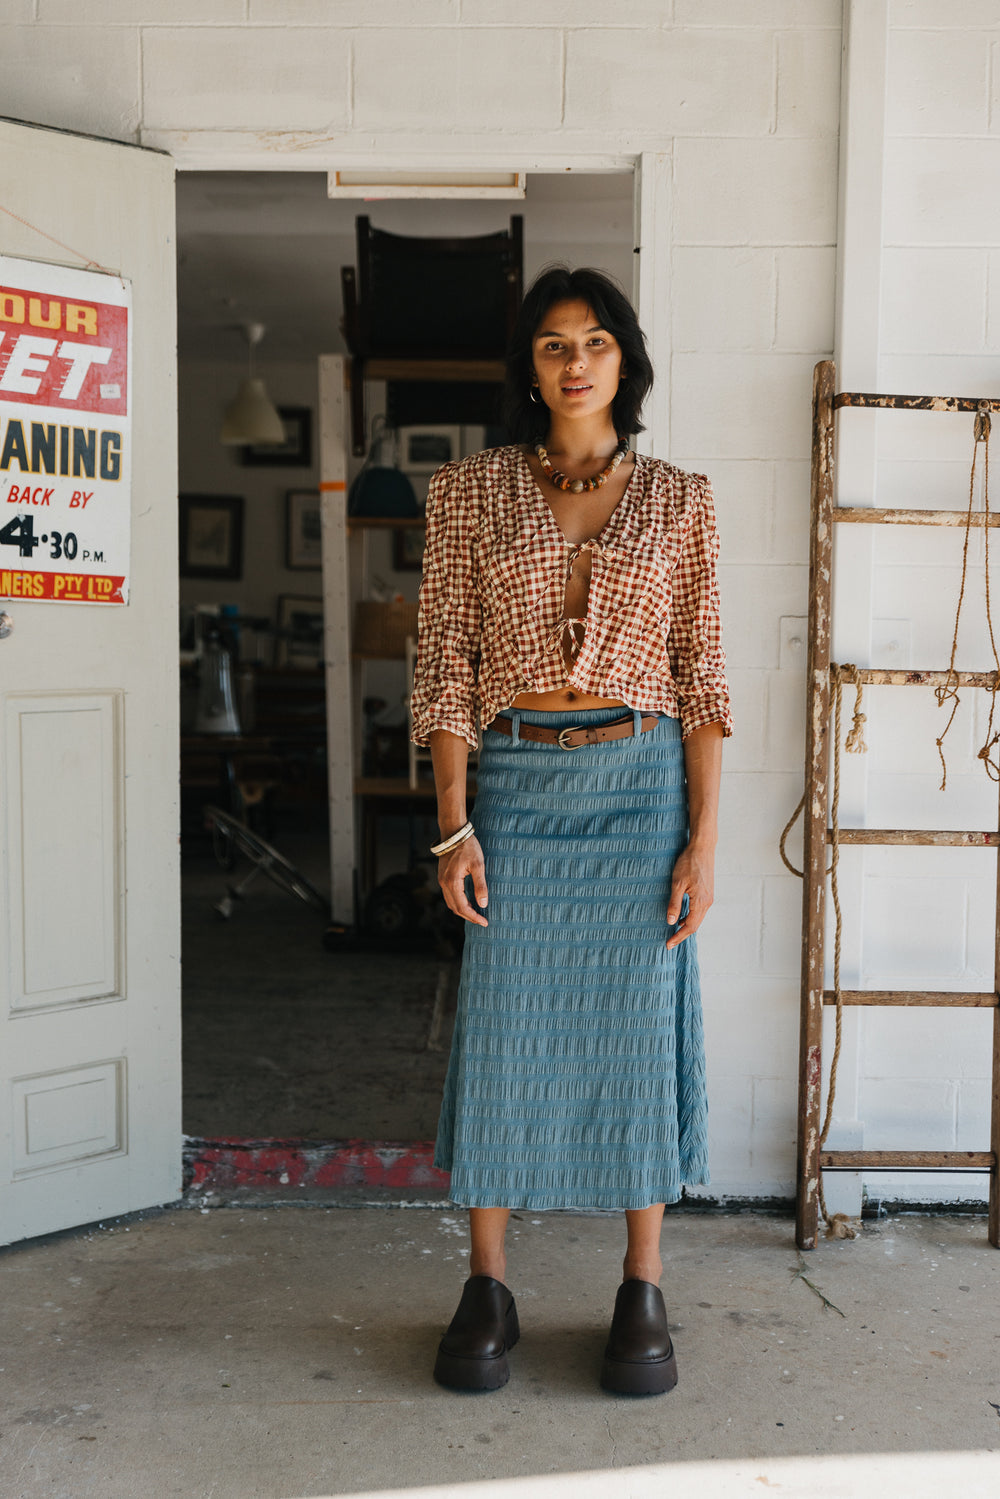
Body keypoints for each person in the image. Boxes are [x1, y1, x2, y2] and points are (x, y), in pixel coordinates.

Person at [410, 265, 731, 1397]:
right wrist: (455, 829)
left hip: (640, 788)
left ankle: (641, 1284)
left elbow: (703, 681)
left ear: (625, 361)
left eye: (595, 341)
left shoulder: (681, 499)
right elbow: (445, 667)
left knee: (639, 1033)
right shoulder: (465, 495)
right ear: (530, 368)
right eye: (552, 344)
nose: (576, 360)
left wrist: (701, 839)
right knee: (501, 1036)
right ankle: (485, 1284)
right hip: (514, 789)